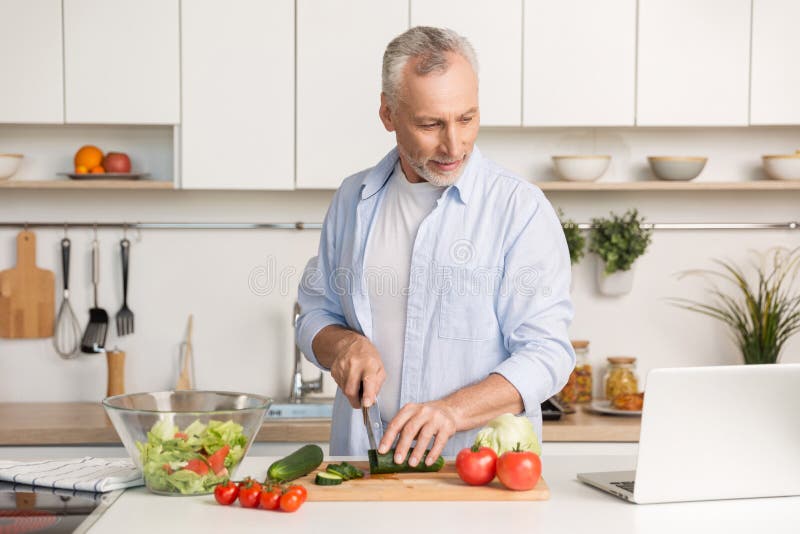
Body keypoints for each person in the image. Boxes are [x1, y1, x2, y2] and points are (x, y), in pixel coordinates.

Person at [296, 26, 574, 466]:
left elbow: (548, 354)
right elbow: (315, 315)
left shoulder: (518, 209)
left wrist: (452, 411)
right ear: (388, 115)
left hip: (474, 474)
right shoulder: (352, 200)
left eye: (467, 118)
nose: (454, 144)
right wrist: (344, 345)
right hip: (362, 469)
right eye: (430, 124)